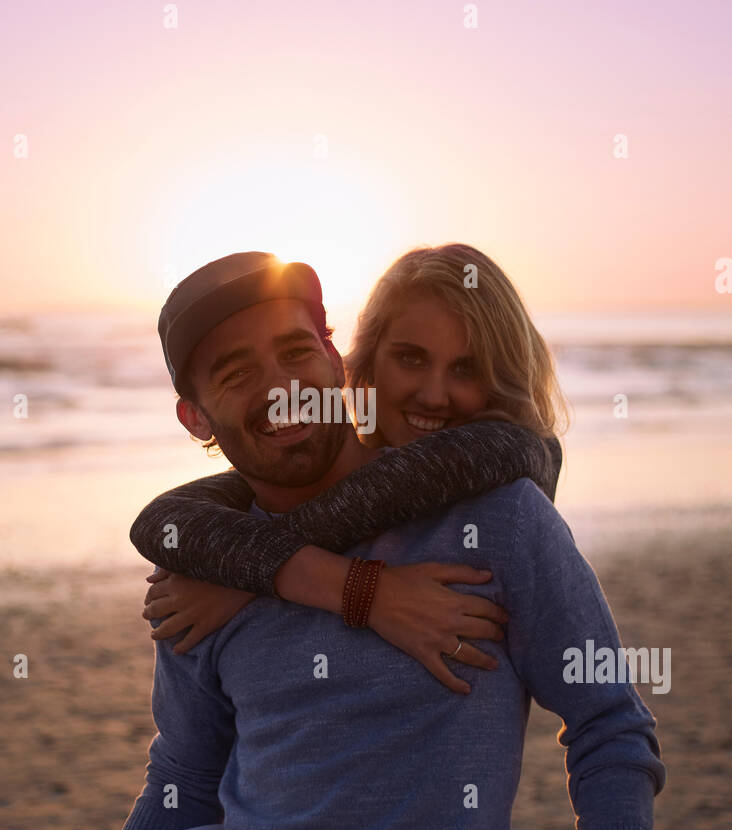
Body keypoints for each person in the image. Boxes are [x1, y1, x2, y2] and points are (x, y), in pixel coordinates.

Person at [117, 251, 665, 830]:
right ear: (195, 418)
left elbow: (607, 722)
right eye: (236, 373)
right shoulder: (201, 574)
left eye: (297, 352)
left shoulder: (497, 518)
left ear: (335, 359)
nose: (281, 389)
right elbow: (186, 776)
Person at [131, 244, 567, 693]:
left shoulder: (508, 494)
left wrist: (255, 576)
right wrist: (349, 588)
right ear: (364, 362)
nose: (435, 396)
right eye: (411, 359)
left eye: (468, 368)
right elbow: (162, 519)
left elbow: (608, 723)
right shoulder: (212, 554)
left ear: (334, 358)